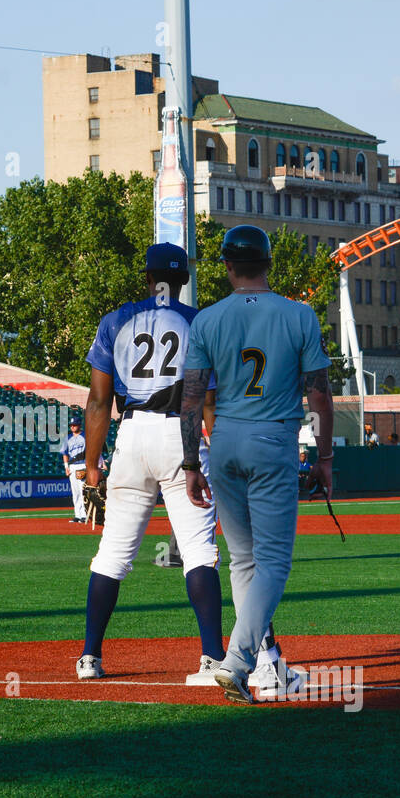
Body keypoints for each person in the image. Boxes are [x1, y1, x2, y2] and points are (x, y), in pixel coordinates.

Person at [180, 225, 335, 704]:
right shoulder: (299, 315)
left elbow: (190, 400)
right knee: (274, 562)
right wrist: (325, 456)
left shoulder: (206, 320)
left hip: (223, 439)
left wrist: (191, 463)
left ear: (227, 266)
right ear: (269, 264)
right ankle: (239, 661)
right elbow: (319, 395)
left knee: (245, 561)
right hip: (272, 440)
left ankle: (259, 668)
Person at [74, 243, 226, 684]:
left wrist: (92, 464)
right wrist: (217, 449)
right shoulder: (198, 322)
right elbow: (208, 399)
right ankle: (213, 658)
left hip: (133, 432)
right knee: (199, 551)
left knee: (113, 554)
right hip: (181, 431)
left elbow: (99, 400)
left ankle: (90, 657)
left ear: (147, 276)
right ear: (181, 280)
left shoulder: (115, 320)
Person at [61, 417, 88, 522]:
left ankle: (84, 515)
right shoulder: (67, 438)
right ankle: (77, 515)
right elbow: (65, 453)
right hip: (72, 466)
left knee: (82, 491)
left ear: (79, 425)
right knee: (75, 492)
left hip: (82, 465)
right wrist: (66, 467)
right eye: (71, 425)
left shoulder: (85, 436)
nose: (72, 426)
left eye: (74, 425)